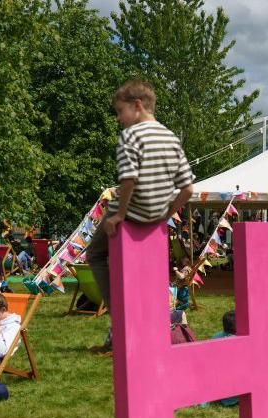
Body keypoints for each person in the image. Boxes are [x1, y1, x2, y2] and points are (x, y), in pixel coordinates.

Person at [86, 78, 195, 351]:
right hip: (156, 217)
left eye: (120, 112)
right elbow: (187, 188)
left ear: (137, 106)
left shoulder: (131, 136)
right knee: (146, 272)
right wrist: (165, 214)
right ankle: (148, 323)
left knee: (95, 254)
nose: (120, 120)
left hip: (131, 213)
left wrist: (118, 215)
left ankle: (118, 316)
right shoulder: (170, 137)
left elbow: (128, 179)